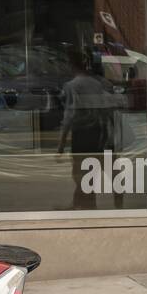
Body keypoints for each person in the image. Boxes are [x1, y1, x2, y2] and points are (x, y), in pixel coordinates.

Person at [56, 48, 125, 209]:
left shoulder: (72, 86)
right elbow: (109, 109)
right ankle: (117, 206)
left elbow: (69, 116)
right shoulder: (99, 83)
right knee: (110, 171)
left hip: (83, 134)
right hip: (101, 132)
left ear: (70, 65)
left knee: (84, 174)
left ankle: (87, 207)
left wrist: (61, 143)